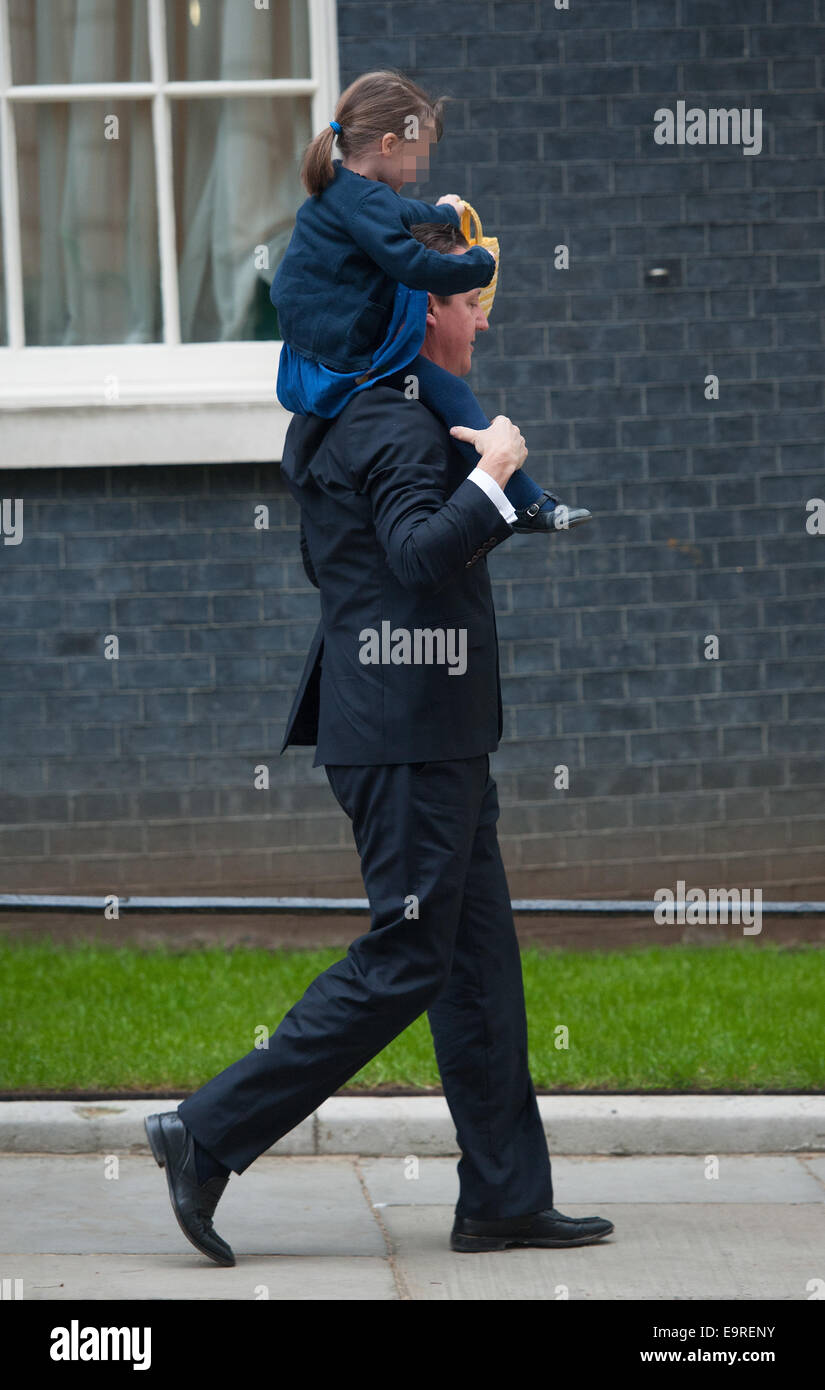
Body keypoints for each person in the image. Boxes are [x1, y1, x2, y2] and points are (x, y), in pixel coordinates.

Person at [144, 219, 614, 1263]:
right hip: (406, 737)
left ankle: (502, 1194)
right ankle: (205, 1134)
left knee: (476, 967)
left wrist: (493, 490)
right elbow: (412, 559)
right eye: (462, 296)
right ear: (417, 312)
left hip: (428, 731)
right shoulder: (398, 429)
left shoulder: (367, 415)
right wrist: (494, 476)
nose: (481, 314)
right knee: (409, 956)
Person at [270, 67, 590, 535]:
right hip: (348, 357)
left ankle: (523, 500)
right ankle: (525, 502)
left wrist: (443, 213)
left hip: (307, 357)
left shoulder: (338, 188)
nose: (421, 169)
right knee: (450, 393)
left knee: (440, 391)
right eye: (420, 155)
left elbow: (405, 213)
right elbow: (417, 267)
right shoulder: (367, 204)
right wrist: (479, 266)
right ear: (388, 145)